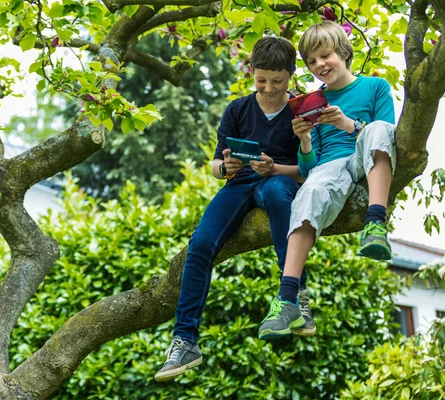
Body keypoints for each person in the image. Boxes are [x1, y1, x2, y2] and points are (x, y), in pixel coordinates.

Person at [155, 36, 310, 382]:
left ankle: (295, 297)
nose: (269, 88)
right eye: (261, 80)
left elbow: (307, 170)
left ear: (290, 75)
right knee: (200, 245)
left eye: (278, 81)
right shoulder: (237, 110)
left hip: (279, 180)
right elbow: (215, 165)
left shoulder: (301, 111)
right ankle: (185, 340)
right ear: (252, 72)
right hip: (239, 183)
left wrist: (275, 168)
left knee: (278, 197)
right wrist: (227, 167)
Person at [258, 20, 397, 340]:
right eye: (312, 61)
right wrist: (304, 140)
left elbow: (388, 136)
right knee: (308, 193)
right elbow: (310, 168)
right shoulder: (311, 102)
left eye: (326, 55)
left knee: (377, 130)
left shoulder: (375, 87)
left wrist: (347, 124)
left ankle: (375, 224)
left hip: (366, 154)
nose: (320, 64)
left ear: (344, 52)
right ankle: (288, 297)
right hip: (330, 166)